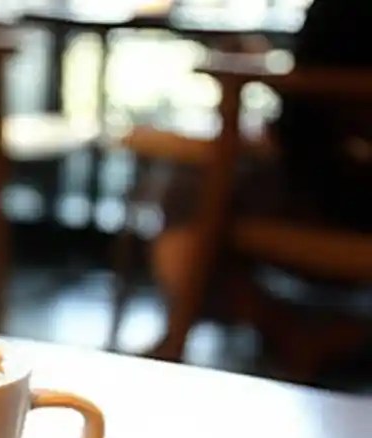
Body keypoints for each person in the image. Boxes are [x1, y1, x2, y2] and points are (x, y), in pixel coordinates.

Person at [147, 0, 372, 362]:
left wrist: (259, 76)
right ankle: (313, 332)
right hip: (330, 181)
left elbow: (310, 115)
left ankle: (266, 327)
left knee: (194, 188)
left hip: (331, 195)